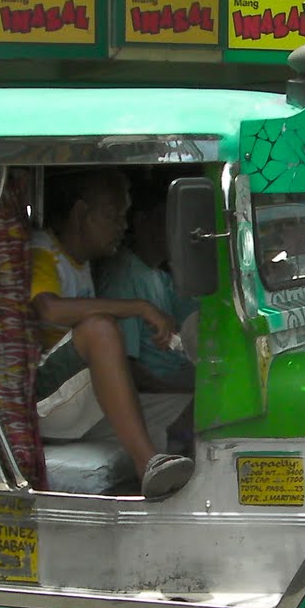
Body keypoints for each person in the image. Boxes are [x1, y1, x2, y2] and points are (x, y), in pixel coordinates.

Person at [31, 169, 193, 499]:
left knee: (189, 401)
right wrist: (137, 307)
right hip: (44, 400)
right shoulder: (43, 251)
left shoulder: (84, 263)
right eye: (113, 214)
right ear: (81, 214)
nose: (123, 225)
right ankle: (146, 463)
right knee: (100, 329)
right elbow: (47, 310)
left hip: (76, 399)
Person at [96, 177, 199, 393]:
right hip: (154, 393)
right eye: (172, 222)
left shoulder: (159, 277)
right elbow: (126, 370)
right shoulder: (122, 278)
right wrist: (179, 393)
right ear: (142, 221)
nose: (182, 232)